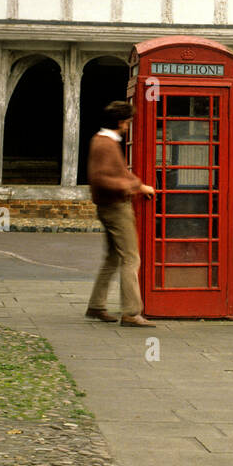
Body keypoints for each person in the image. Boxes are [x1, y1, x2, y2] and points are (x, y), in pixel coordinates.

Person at [85, 100, 156, 327]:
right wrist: (135, 187)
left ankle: (96, 306)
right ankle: (131, 312)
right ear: (120, 122)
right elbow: (100, 177)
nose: (128, 127)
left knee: (113, 257)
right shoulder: (105, 144)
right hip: (115, 207)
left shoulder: (103, 140)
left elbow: (118, 171)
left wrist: (135, 183)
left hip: (108, 206)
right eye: (127, 122)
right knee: (131, 258)